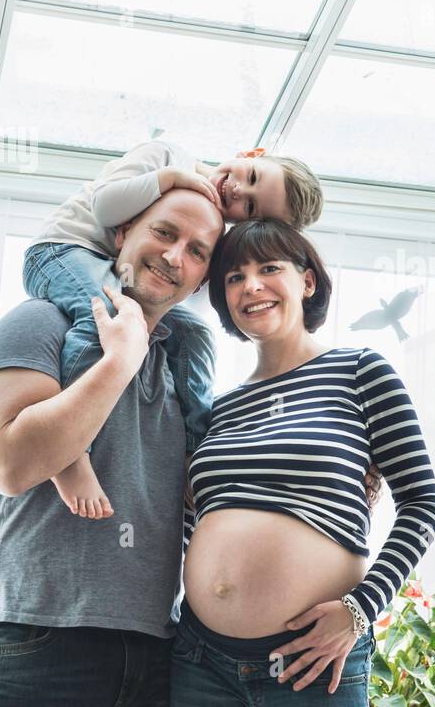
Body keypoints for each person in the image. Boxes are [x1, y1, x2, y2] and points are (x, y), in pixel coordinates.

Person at [0, 186, 224, 707]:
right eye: (164, 232)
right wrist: (119, 362)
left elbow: (199, 494)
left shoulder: (184, 363)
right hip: (32, 642)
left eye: (198, 251)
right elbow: (11, 465)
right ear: (122, 233)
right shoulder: (38, 322)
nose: (174, 256)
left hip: (154, 651)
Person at [170, 218, 435, 707]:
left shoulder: (361, 372)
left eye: (269, 268)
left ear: (307, 281)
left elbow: (423, 506)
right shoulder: (220, 407)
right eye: (234, 277)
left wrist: (360, 610)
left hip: (311, 665)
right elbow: (196, 519)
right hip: (200, 660)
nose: (251, 286)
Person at [21, 140, 324, 519]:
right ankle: (71, 455)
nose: (237, 189)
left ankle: (195, 453)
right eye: (251, 177)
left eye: (249, 206)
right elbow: (105, 206)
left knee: (195, 335)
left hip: (110, 269)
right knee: (105, 319)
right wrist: (170, 177)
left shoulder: (209, 218)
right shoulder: (166, 157)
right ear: (251, 155)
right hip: (62, 252)